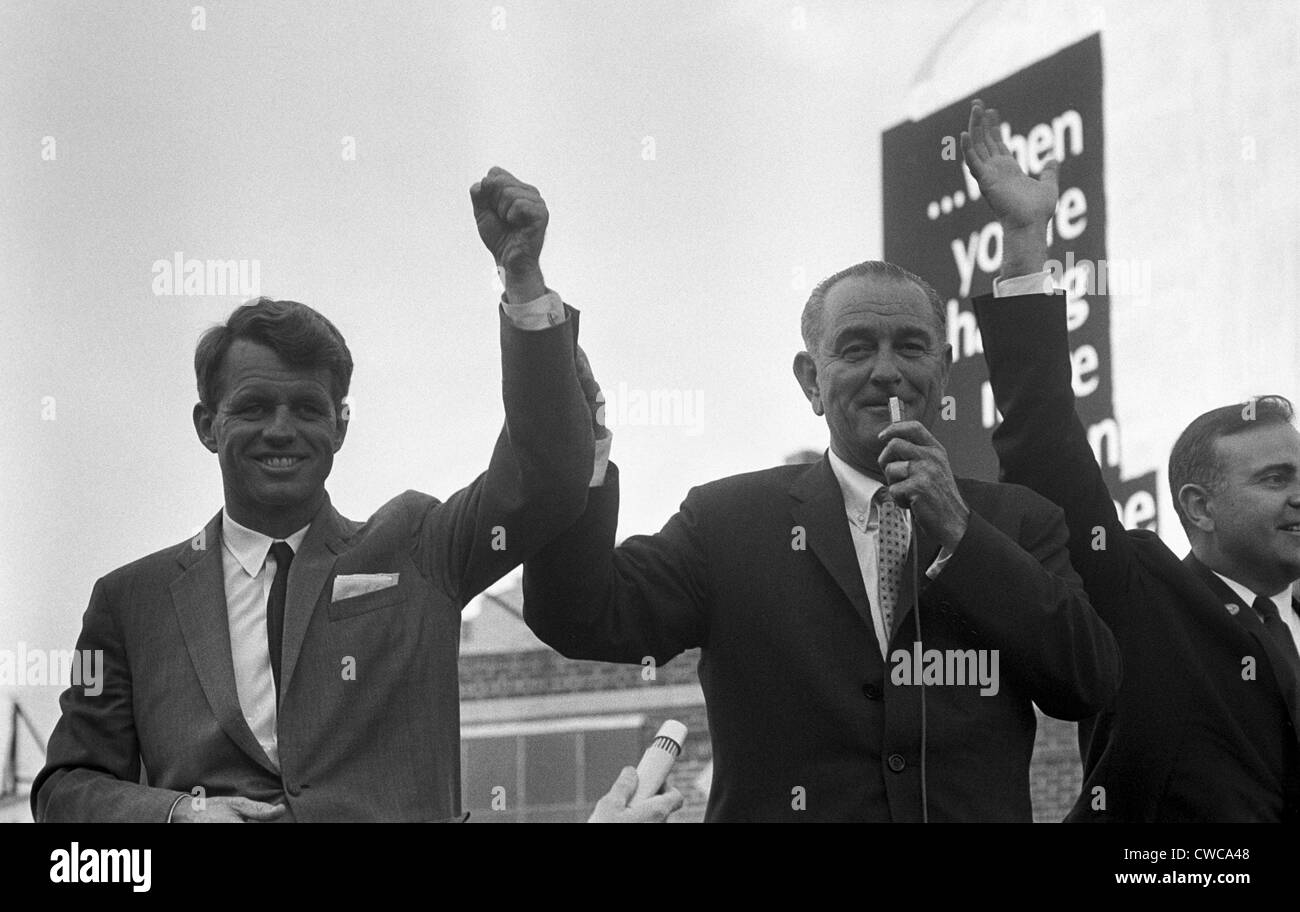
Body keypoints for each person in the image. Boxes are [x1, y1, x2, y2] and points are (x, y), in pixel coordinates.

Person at [32, 168, 599, 822]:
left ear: (340, 426)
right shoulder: (130, 604)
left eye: (307, 407)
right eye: (252, 407)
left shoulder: (417, 546)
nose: (281, 428)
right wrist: (178, 816)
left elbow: (549, 479)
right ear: (206, 426)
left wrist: (522, 277)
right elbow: (64, 789)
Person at [522, 247, 1122, 822]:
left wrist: (962, 533)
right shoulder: (728, 522)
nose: (886, 371)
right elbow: (577, 613)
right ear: (812, 380)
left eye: (911, 347)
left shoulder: (1018, 520)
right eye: (856, 349)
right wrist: (577, 458)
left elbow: (1086, 679)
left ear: (942, 369)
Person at [964, 99, 1300, 820]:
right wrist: (1026, 238)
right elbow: (1045, 445)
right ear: (1198, 507)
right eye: (1276, 479)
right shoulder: (1139, 597)